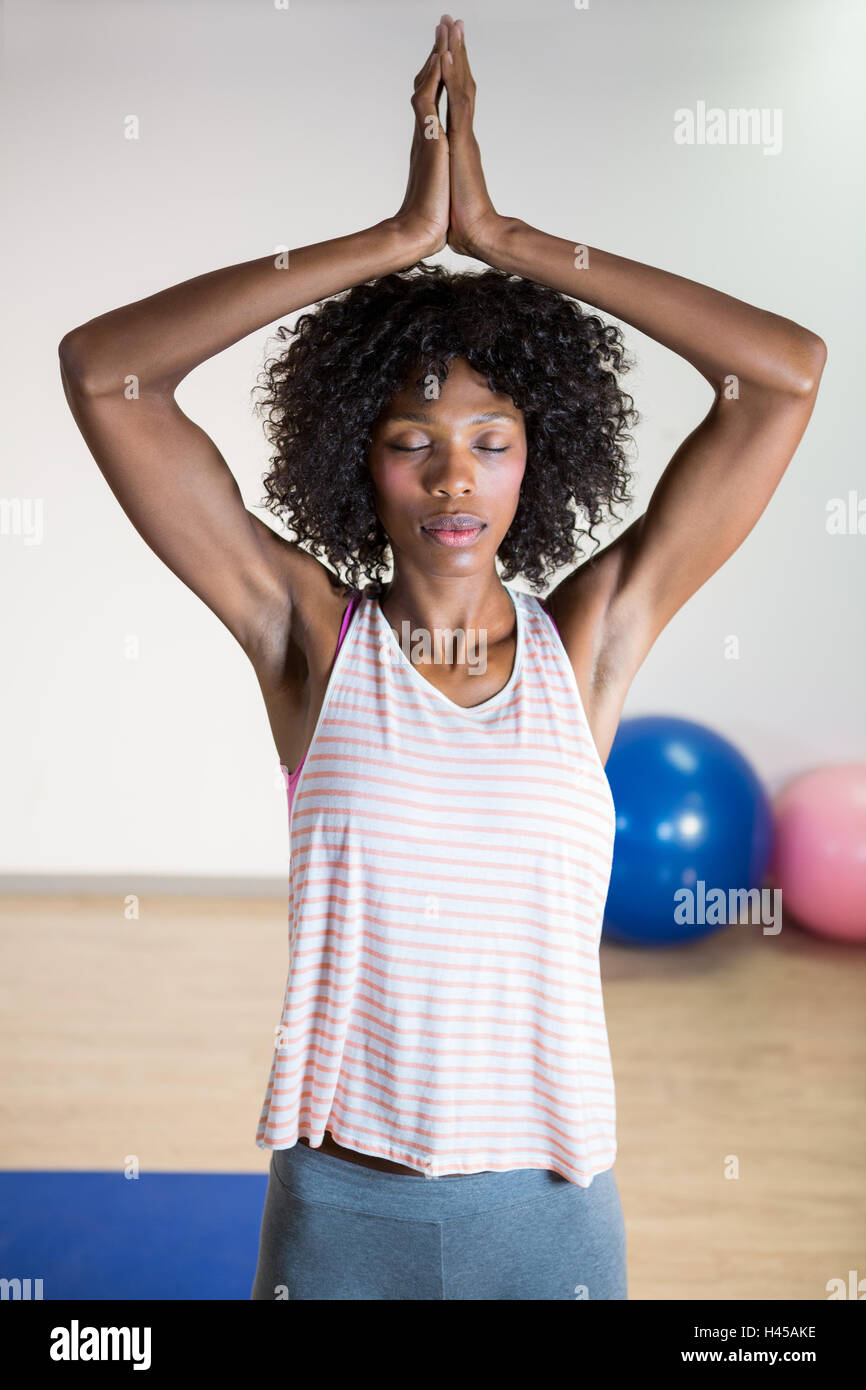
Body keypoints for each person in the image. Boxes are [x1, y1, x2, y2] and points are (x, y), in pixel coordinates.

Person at [58, 14, 826, 1301]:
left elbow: (785, 377)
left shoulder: (590, 640)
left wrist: (505, 239)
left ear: (541, 452)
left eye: (491, 435)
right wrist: (395, 243)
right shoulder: (307, 638)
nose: (453, 474)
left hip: (550, 1217)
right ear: (359, 454)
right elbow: (109, 375)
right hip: (339, 1211)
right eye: (413, 436)